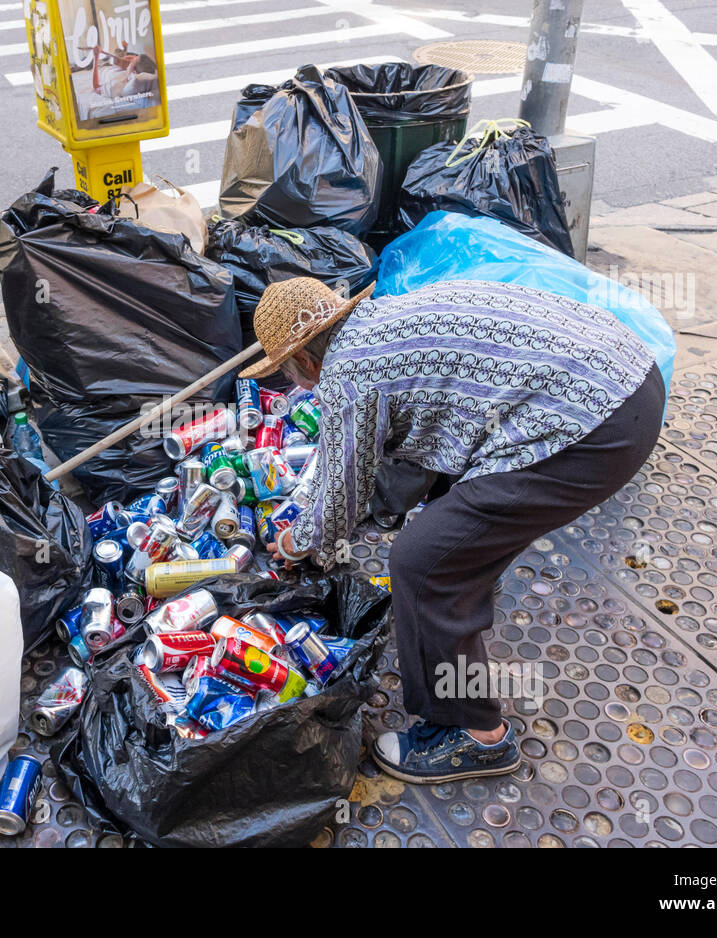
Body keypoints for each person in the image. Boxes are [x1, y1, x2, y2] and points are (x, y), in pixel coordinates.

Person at [241, 276, 665, 784]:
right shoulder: (387, 321)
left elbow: (343, 492)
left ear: (308, 361)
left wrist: (296, 540)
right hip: (630, 376)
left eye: (294, 376)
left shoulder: (347, 372)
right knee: (451, 531)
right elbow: (415, 451)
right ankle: (461, 597)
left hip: (593, 427)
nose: (301, 387)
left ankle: (473, 734)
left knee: (422, 565)